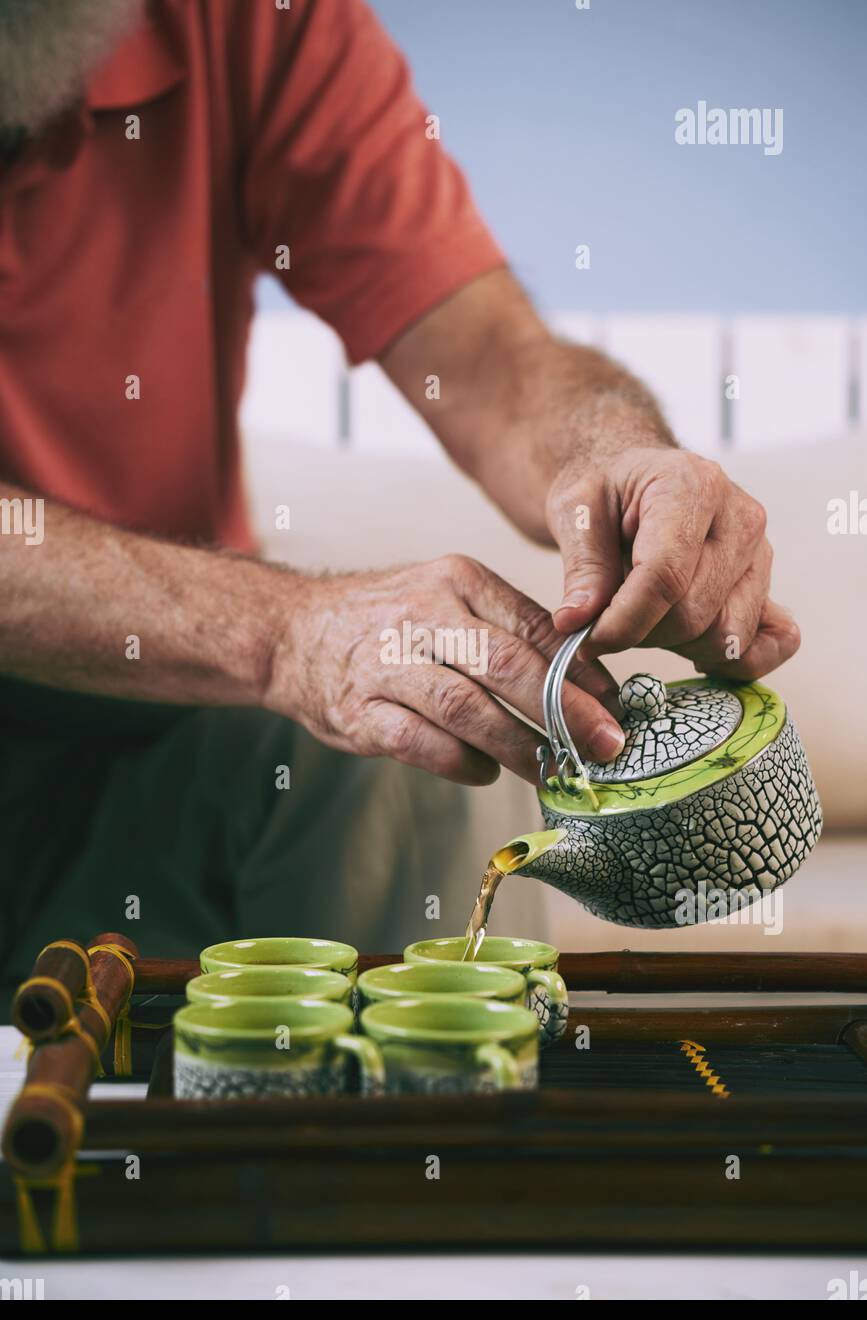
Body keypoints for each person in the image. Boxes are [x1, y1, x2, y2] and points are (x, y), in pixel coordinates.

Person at [0, 0, 798, 989]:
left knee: (414, 715)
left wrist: (617, 451)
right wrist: (287, 633)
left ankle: (429, 1139)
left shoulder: (258, 23)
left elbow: (488, 360)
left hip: (162, 744)